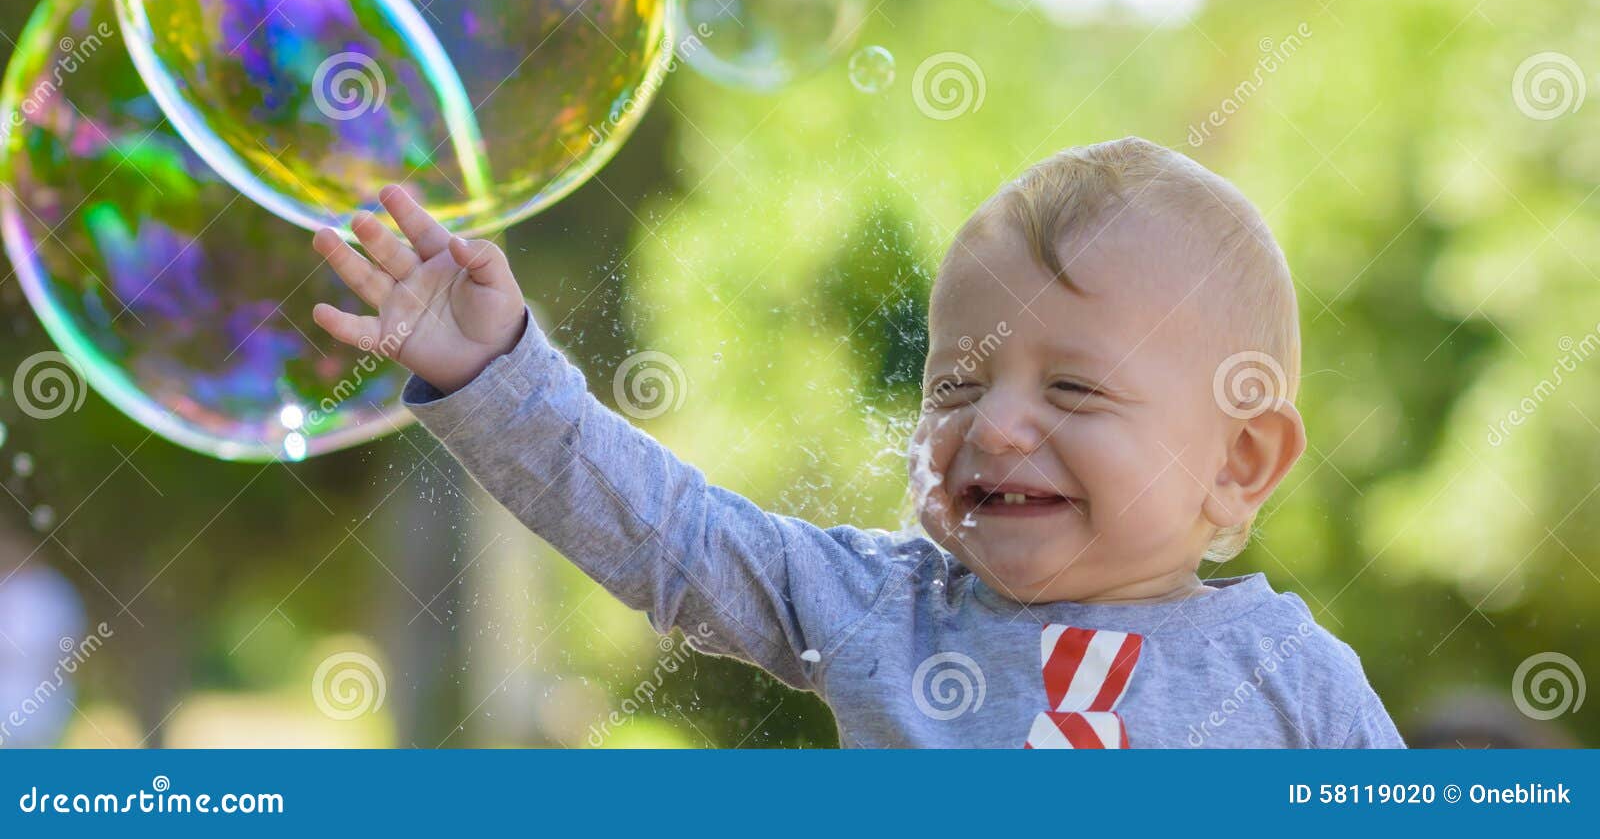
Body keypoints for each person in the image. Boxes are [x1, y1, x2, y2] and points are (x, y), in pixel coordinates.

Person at [309, 136, 1404, 748]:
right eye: (956, 384)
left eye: (1073, 388)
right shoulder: (885, 611)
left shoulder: (1291, 681)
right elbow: (670, 536)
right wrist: (496, 373)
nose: (997, 425)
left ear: (1239, 463)